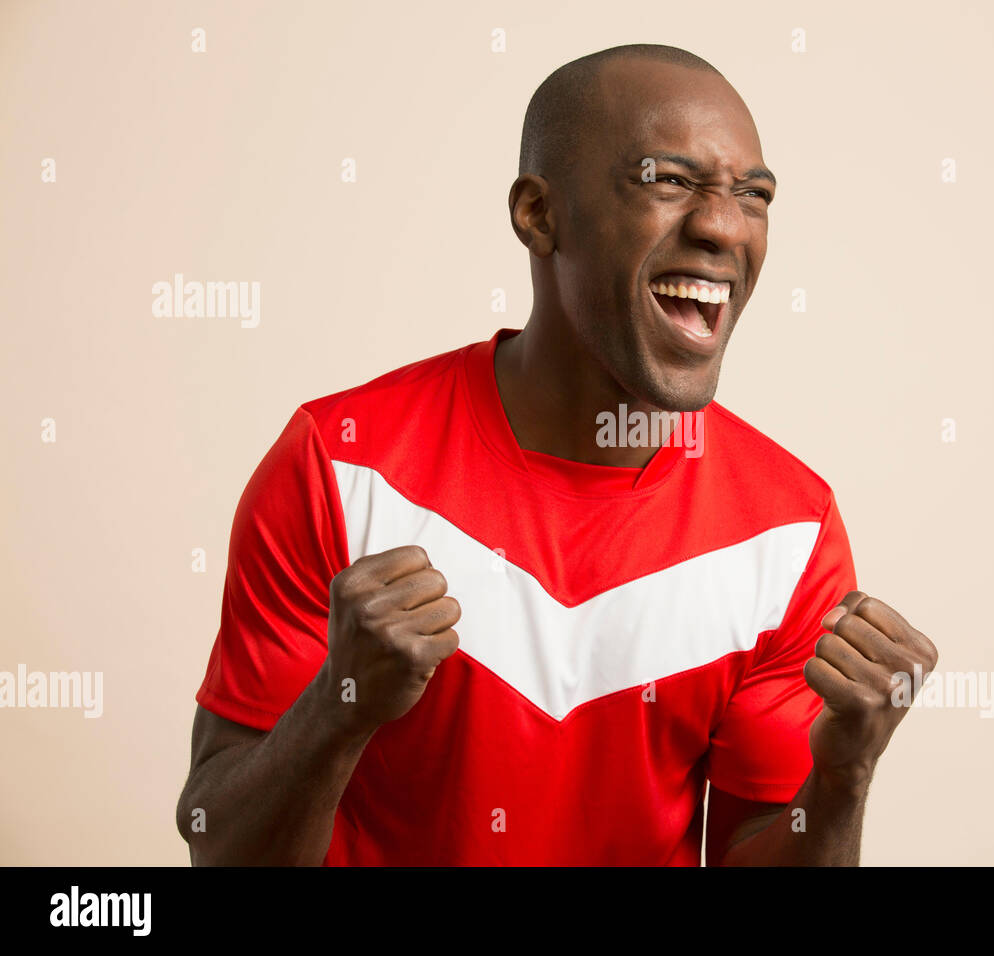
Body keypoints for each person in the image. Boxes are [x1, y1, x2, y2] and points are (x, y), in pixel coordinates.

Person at [176, 43, 938, 866]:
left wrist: (844, 778)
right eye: (669, 180)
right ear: (540, 214)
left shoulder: (788, 533)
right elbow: (221, 849)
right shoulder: (341, 465)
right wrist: (339, 705)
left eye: (752, 195)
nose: (723, 225)